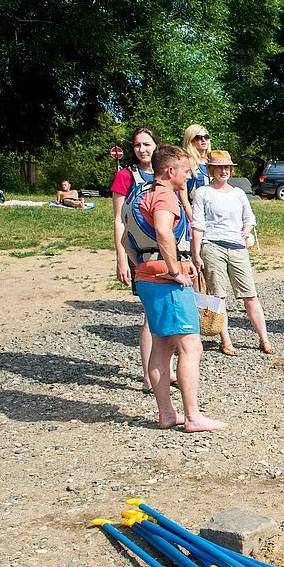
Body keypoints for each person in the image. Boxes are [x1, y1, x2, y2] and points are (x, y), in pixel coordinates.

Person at [121, 144, 227, 433]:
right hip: (166, 280)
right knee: (191, 345)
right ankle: (193, 416)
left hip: (144, 276)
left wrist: (143, 265)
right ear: (170, 171)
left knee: (162, 345)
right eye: (185, 170)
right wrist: (172, 269)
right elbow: (164, 231)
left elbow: (125, 241)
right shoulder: (164, 196)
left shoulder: (137, 194)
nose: (188, 175)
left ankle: (167, 413)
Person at [191, 150, 275, 356]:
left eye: (227, 167)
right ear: (211, 169)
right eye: (219, 167)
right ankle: (226, 340)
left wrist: (245, 233)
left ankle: (264, 339)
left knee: (250, 295)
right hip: (212, 245)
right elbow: (198, 225)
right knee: (218, 296)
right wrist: (196, 254)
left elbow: (250, 219)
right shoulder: (203, 193)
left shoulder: (238, 193)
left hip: (237, 247)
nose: (224, 171)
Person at [111, 127, 161, 392]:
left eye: (147, 144)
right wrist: (121, 257)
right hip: (139, 251)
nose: (142, 149)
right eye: (138, 145)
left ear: (156, 145)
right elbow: (120, 220)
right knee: (149, 314)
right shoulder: (124, 176)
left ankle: (163, 370)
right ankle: (148, 375)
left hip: (167, 249)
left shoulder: (166, 171)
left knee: (165, 312)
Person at [181, 124, 212, 198]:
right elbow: (183, 196)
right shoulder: (186, 163)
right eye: (198, 138)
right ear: (191, 141)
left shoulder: (213, 161)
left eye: (206, 137)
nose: (203, 140)